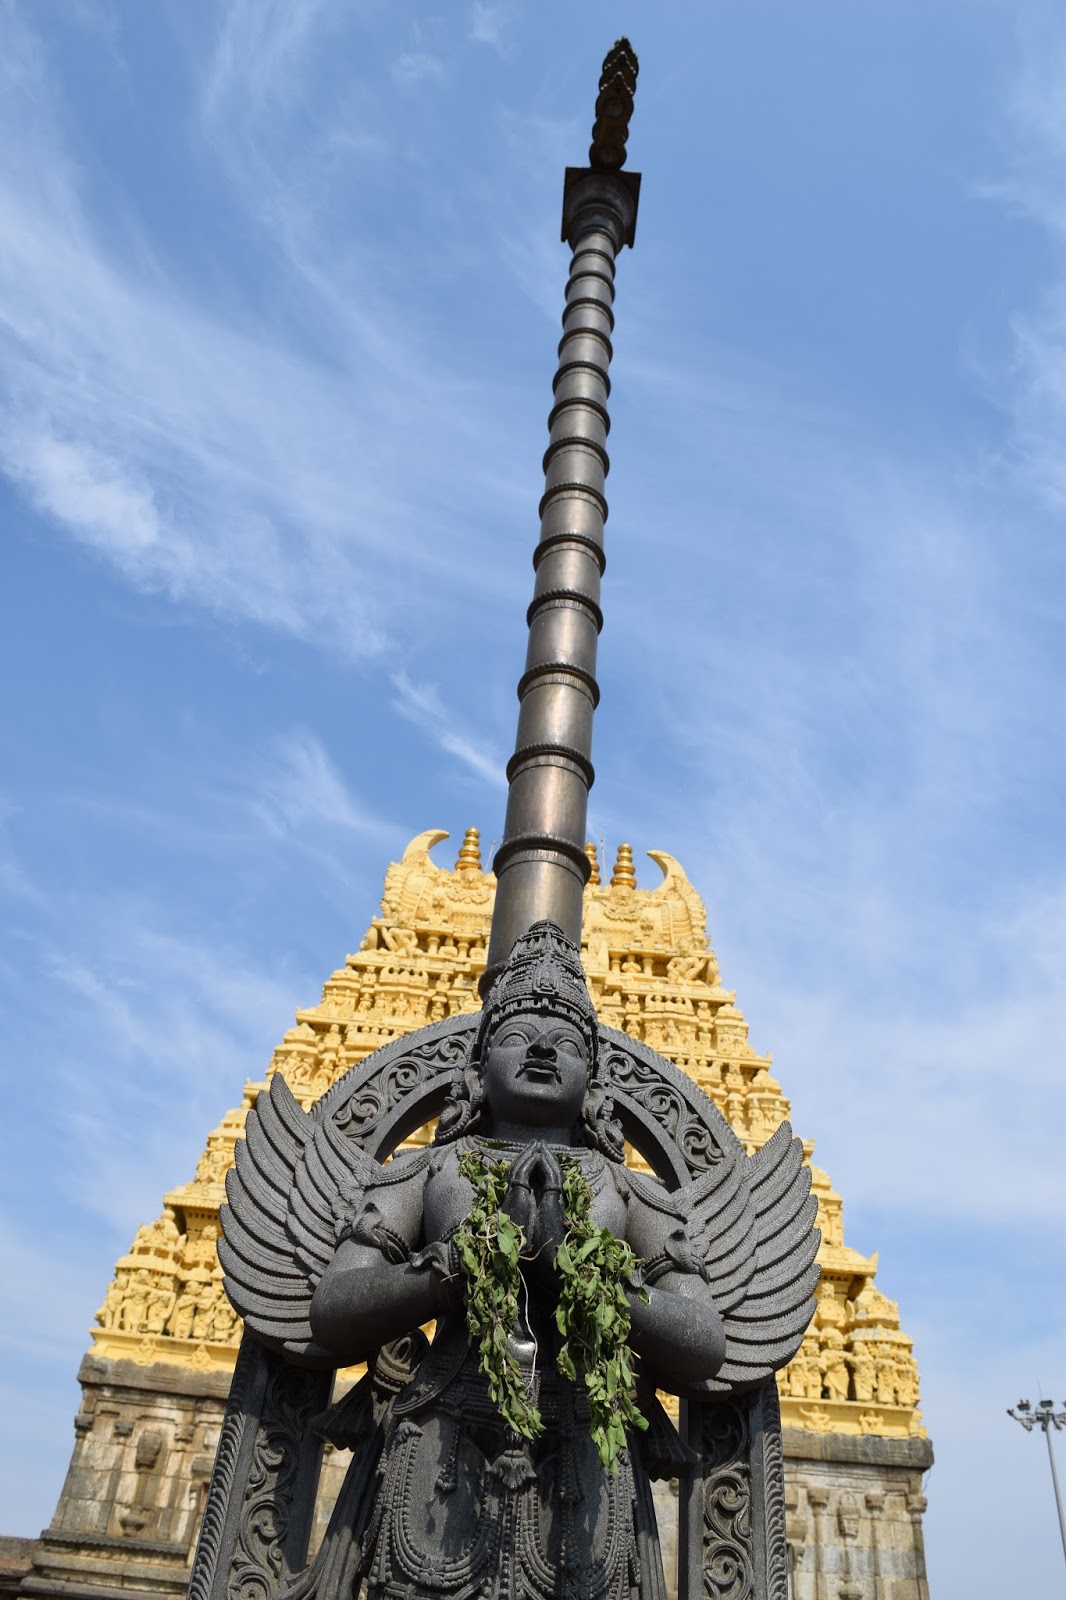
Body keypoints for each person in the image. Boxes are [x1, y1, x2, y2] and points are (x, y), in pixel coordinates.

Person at [303, 923, 727, 1600]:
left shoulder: (622, 1188)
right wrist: (446, 1272)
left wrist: (594, 1281)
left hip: (588, 1446)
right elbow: (334, 1309)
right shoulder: (434, 1169)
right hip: (441, 1436)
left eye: (564, 1043)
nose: (538, 1049)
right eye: (513, 1037)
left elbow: (704, 1343)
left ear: (594, 1079)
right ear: (475, 1071)